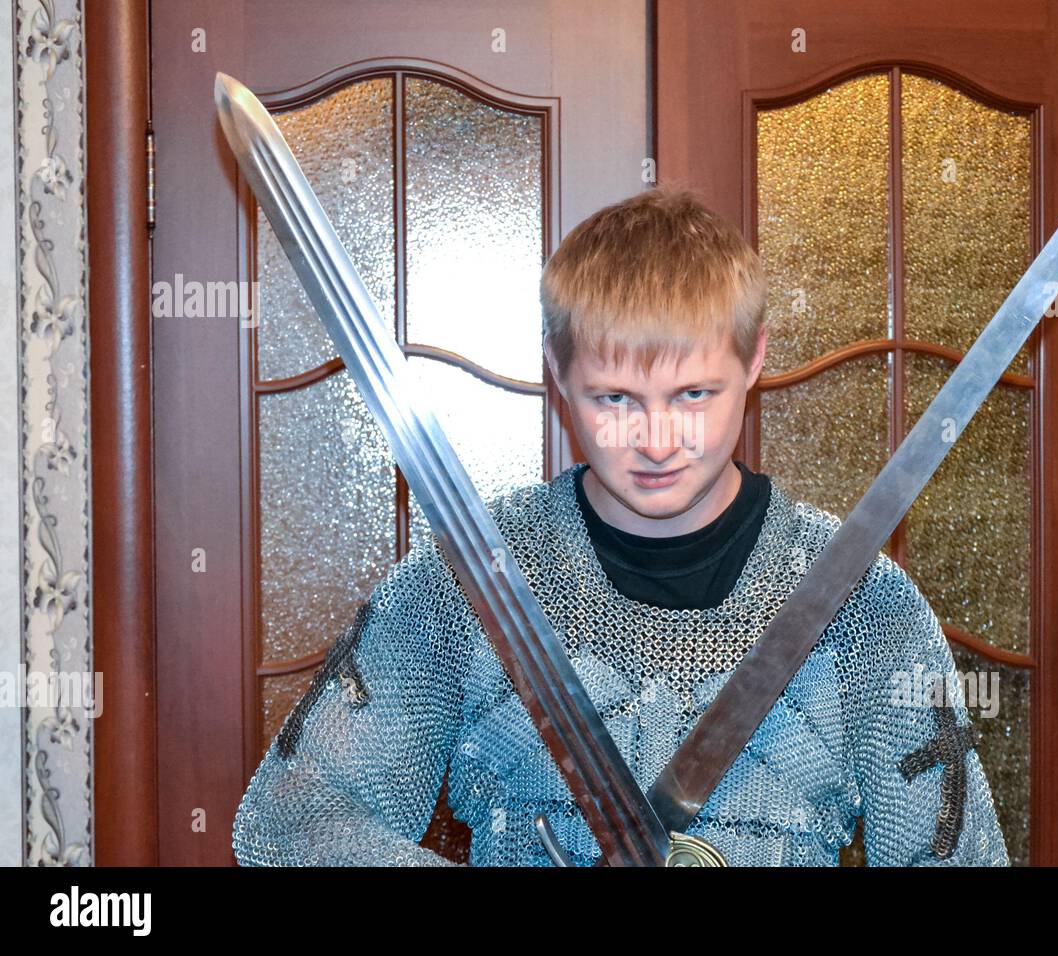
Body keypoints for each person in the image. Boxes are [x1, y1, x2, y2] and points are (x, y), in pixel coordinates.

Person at [231, 183, 1010, 867]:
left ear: (756, 359)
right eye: (616, 400)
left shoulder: (865, 609)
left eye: (695, 395)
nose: (659, 441)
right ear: (557, 372)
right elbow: (294, 822)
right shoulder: (465, 585)